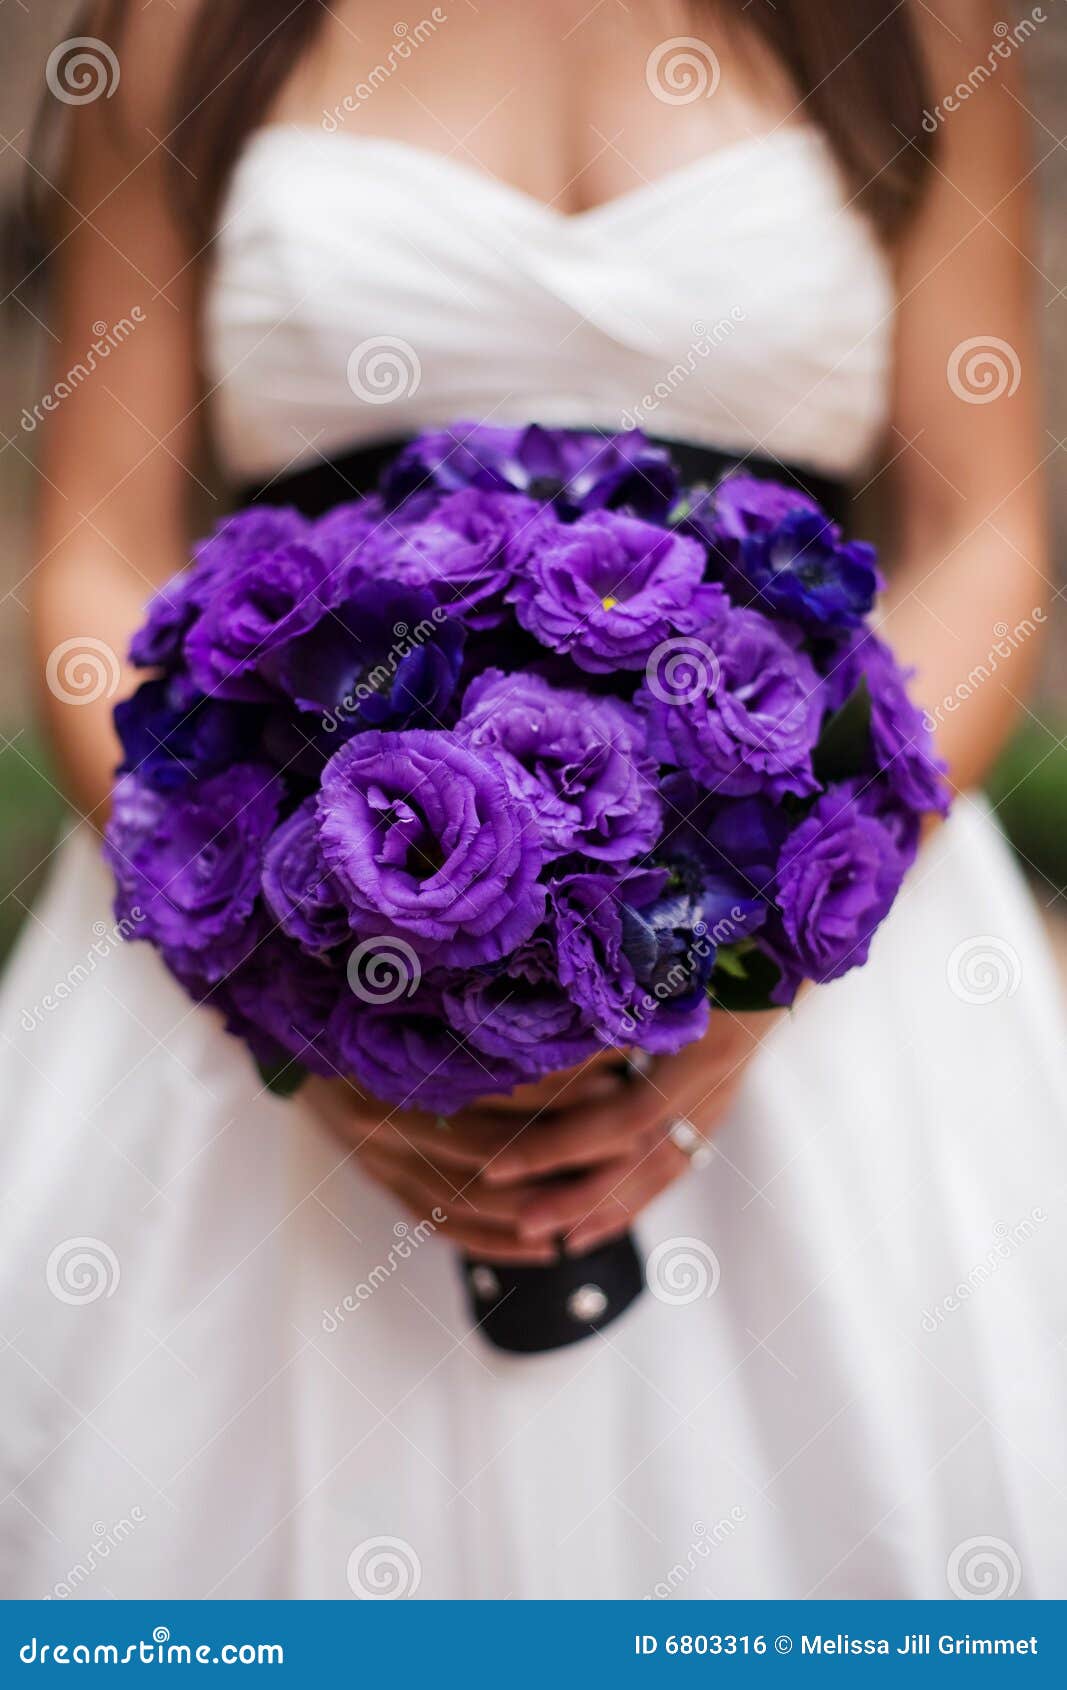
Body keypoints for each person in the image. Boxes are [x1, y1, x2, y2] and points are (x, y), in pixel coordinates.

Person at [3, 0, 1064, 1598]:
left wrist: (748, 969)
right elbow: (96, 556)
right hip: (279, 948)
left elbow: (985, 534)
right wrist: (300, 988)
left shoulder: (919, 21)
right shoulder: (173, 22)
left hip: (821, 970)